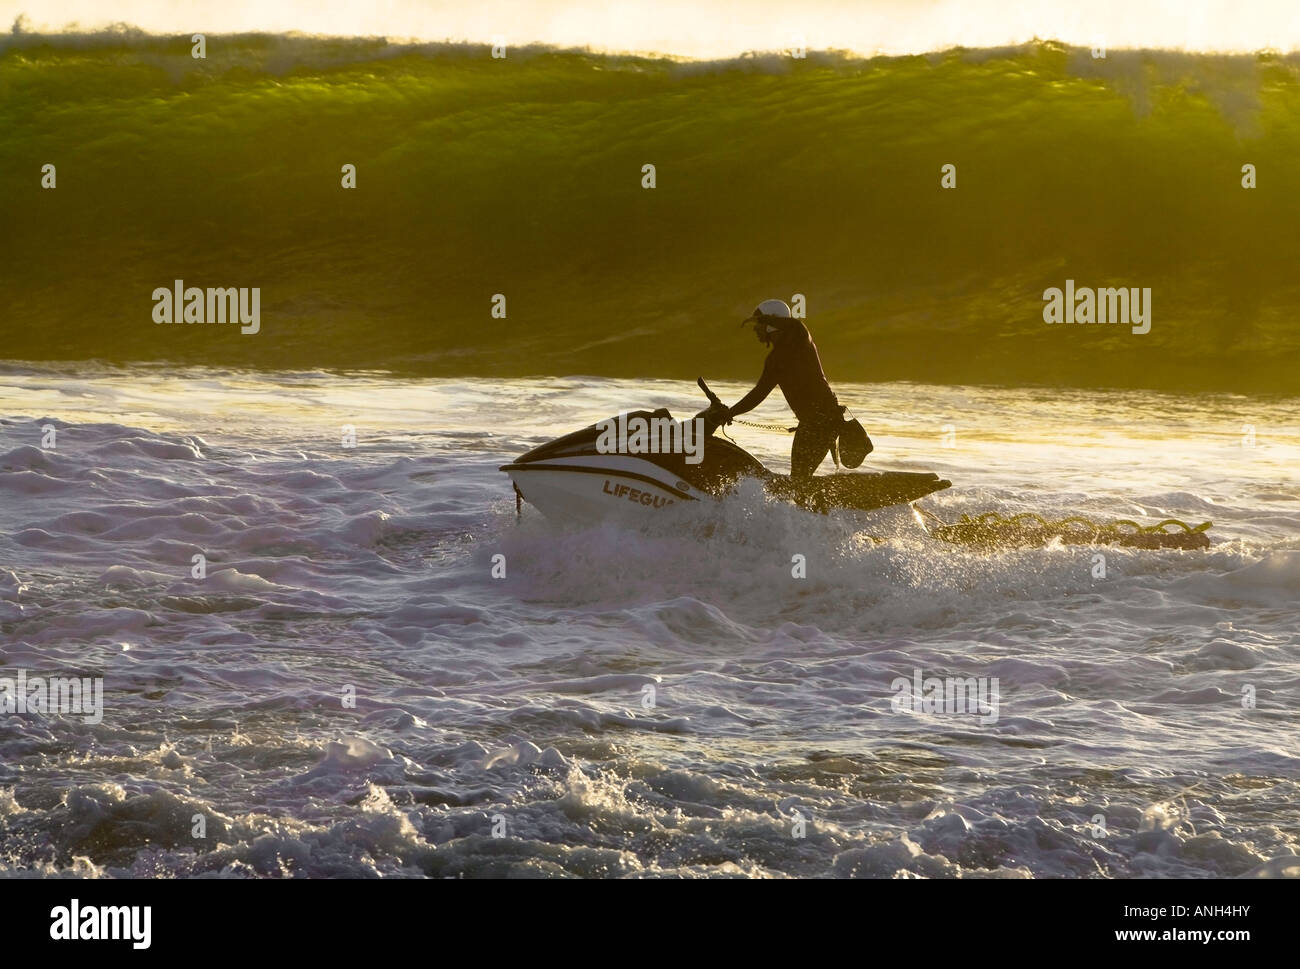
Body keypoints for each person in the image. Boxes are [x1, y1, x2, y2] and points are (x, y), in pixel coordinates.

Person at [723, 299, 854, 481]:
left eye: (759, 324)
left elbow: (795, 323)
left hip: (825, 422)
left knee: (799, 479)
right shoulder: (774, 360)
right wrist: (729, 413)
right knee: (799, 479)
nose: (755, 329)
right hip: (810, 426)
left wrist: (764, 319)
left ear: (771, 323)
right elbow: (757, 395)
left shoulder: (800, 339)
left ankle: (820, 507)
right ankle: (811, 507)